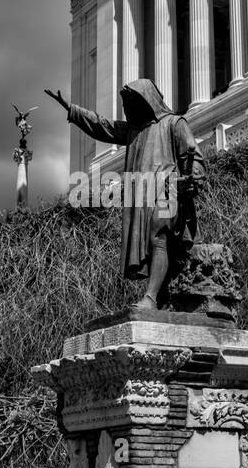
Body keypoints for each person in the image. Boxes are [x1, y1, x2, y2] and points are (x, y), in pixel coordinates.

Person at [45, 79, 205, 313]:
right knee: (152, 244)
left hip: (167, 189)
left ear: (149, 99)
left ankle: (150, 298)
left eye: (135, 101)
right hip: (142, 194)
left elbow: (193, 155)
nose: (131, 107)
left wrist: (194, 177)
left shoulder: (174, 123)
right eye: (128, 103)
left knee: (158, 236)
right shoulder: (134, 131)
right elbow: (102, 126)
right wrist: (72, 109)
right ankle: (160, 296)